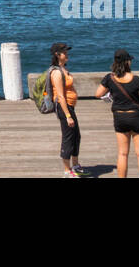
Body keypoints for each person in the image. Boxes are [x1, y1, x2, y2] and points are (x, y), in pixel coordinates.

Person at [94, 48, 139, 178]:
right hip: (136, 117)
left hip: (120, 117)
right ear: (127, 62)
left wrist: (111, 94)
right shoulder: (136, 80)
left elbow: (98, 94)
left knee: (122, 154)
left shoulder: (110, 78)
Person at [48, 42, 84, 176]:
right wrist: (68, 116)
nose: (67, 54)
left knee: (76, 136)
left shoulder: (63, 69)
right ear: (58, 55)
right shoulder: (56, 72)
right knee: (68, 137)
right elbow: (61, 97)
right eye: (65, 52)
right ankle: (67, 170)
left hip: (70, 107)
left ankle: (75, 164)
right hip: (64, 108)